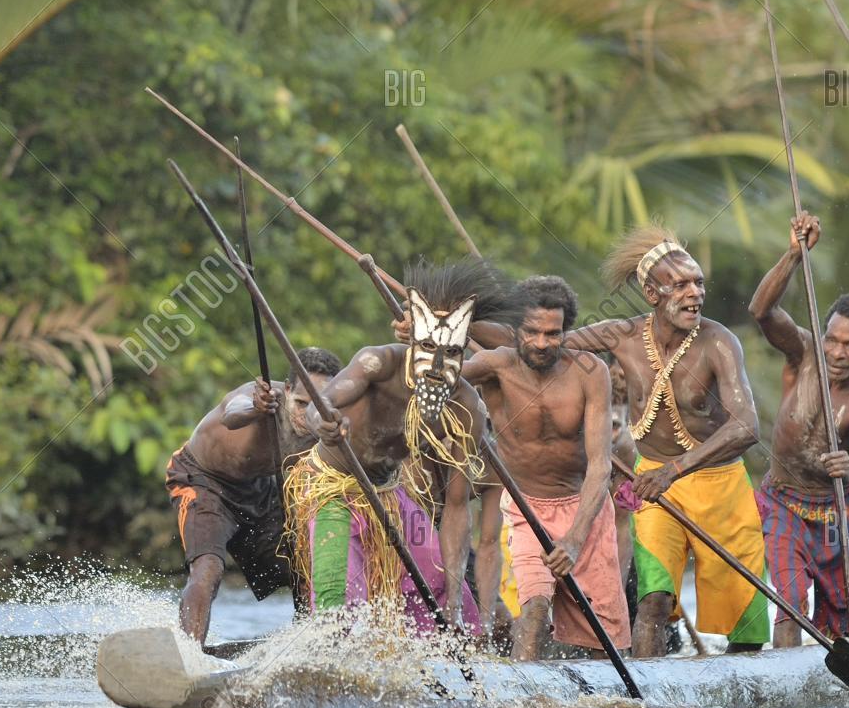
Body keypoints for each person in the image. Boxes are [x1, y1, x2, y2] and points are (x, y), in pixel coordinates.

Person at [568, 227, 768, 656]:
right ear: (652, 293)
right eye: (681, 285)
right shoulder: (621, 335)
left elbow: (747, 426)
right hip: (654, 488)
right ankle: (646, 701)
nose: (695, 293)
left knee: (745, 622)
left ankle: (749, 705)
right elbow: (543, 350)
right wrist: (455, 335)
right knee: (653, 600)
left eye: (698, 283)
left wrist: (673, 471)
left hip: (722, 488)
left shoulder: (719, 342)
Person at [294, 257, 519, 629]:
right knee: (339, 602)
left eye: (451, 353)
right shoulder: (376, 363)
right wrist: (325, 425)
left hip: (389, 493)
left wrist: (453, 603)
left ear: (464, 352)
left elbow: (458, 507)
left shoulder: (467, 407)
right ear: (412, 341)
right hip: (330, 488)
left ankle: (429, 661)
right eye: (428, 347)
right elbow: (326, 404)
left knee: (452, 597)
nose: (437, 365)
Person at [748, 212, 849, 646]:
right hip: (784, 503)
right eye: (832, 339)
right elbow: (761, 310)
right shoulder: (803, 351)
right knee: (791, 601)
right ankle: (784, 693)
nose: (838, 352)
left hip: (839, 510)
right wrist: (794, 256)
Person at [461, 276, 627, 659]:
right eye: (531, 332)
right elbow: (435, 376)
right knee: (532, 611)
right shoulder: (494, 365)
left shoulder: (590, 371)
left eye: (552, 334)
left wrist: (574, 538)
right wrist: (420, 336)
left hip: (585, 510)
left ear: (566, 331)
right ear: (515, 329)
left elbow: (601, 466)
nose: (540, 343)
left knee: (606, 643)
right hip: (526, 509)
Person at [166, 347, 342, 641]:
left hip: (260, 490)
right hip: (203, 480)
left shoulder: (329, 421)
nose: (306, 415)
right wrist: (256, 407)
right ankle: (188, 654)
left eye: (317, 407)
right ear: (287, 390)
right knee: (208, 569)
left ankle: (312, 647)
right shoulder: (259, 397)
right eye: (300, 403)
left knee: (304, 568)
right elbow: (232, 414)